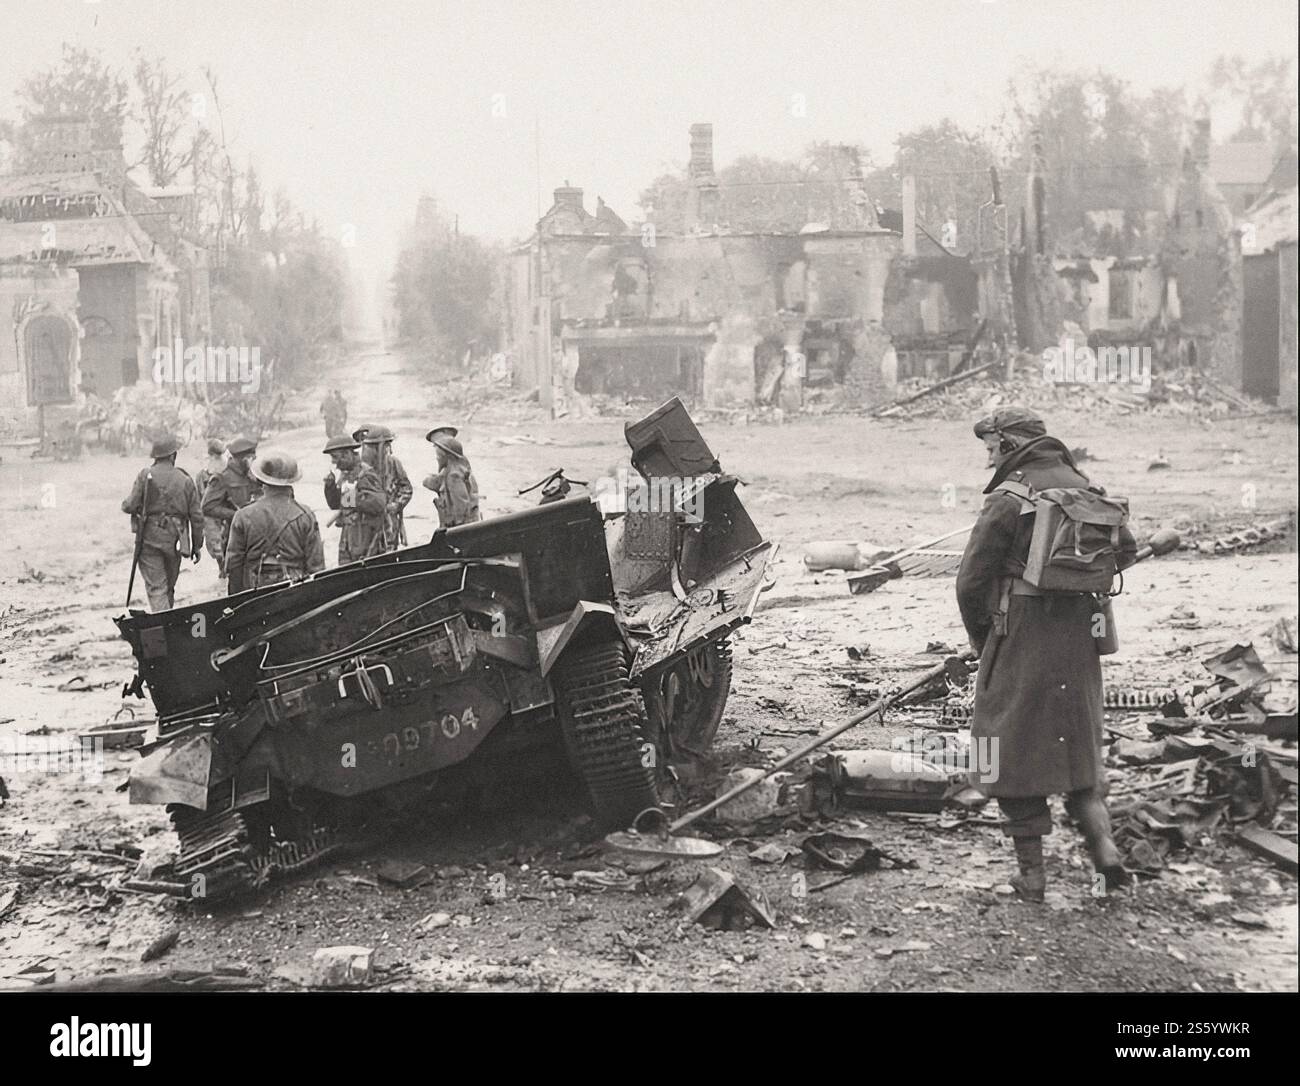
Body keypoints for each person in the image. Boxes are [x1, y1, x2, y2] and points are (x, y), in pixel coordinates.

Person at [955, 406, 1137, 902]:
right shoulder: (1088, 489)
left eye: (991, 447)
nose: (987, 458)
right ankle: (1106, 857)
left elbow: (970, 582)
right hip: (1081, 638)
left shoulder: (1009, 498)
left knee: (1009, 748)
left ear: (1010, 445)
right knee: (1078, 748)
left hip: (1021, 635)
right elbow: (1127, 551)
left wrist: (982, 642)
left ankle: (1031, 879)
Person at [121, 433, 203, 612]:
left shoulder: (145, 475)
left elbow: (129, 505)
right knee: (168, 587)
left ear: (155, 457)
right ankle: (167, 625)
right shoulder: (186, 480)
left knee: (157, 588)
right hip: (176, 540)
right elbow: (197, 517)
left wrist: (129, 507)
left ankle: (164, 627)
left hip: (149, 538)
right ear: (173, 456)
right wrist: (197, 546)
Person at [225, 450, 325, 594]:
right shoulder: (305, 515)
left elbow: (233, 565)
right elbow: (316, 565)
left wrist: (235, 600)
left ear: (261, 481)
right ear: (291, 481)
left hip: (256, 587)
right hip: (296, 587)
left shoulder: (243, 515)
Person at [322, 434, 386, 564]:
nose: (333, 462)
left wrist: (353, 496)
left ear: (346, 454)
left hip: (366, 542)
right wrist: (330, 487)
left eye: (335, 457)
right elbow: (336, 504)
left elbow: (379, 504)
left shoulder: (366, 474)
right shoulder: (346, 474)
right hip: (349, 540)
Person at [202, 436, 261, 565]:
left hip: (258, 536)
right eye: (252, 457)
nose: (254, 460)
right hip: (234, 538)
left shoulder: (255, 475)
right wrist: (235, 515)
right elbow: (207, 507)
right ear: (243, 459)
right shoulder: (222, 478)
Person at [353, 424, 412, 552]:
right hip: (364, 526)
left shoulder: (394, 463)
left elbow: (406, 489)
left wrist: (396, 505)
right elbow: (345, 499)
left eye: (386, 446)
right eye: (367, 446)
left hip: (389, 525)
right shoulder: (357, 469)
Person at [423, 430, 481, 528]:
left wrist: (457, 530)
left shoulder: (454, 476)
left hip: (459, 527)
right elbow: (431, 483)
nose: (437, 458)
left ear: (447, 456)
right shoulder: (459, 469)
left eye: (439, 455)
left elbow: (461, 506)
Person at [195, 439, 230, 573]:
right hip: (209, 515)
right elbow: (199, 499)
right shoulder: (202, 475)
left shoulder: (226, 470)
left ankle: (226, 566)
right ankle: (222, 566)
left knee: (227, 540)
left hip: (224, 512)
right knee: (215, 544)